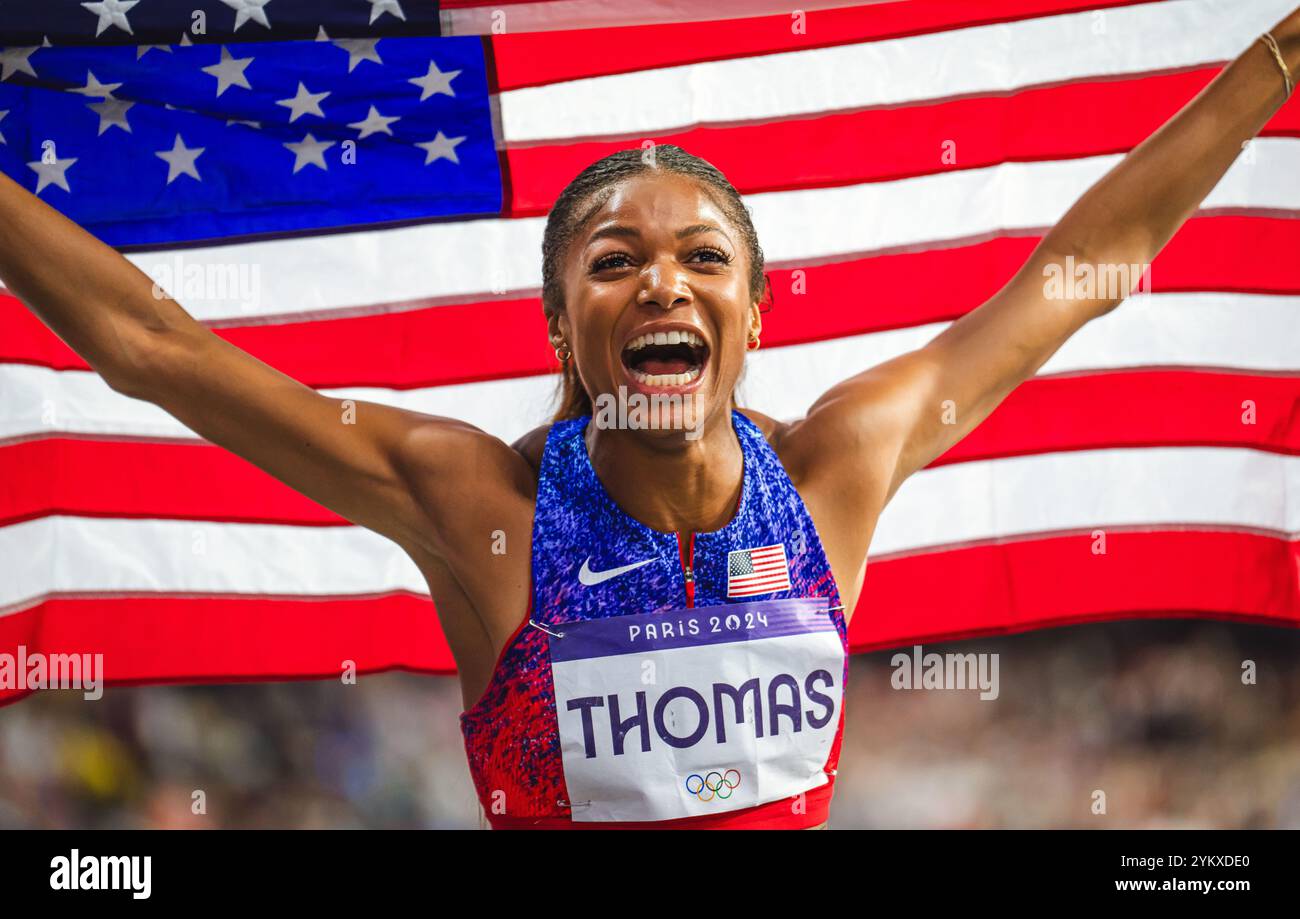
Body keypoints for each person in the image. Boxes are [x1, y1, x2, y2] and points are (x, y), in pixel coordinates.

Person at [1, 15, 1295, 830]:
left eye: (704, 259)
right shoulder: (477, 507)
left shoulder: (837, 464)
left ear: (756, 312)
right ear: (561, 324)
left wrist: (1278, 62)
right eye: (617, 259)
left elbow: (1077, 274)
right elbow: (151, 347)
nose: (665, 281)